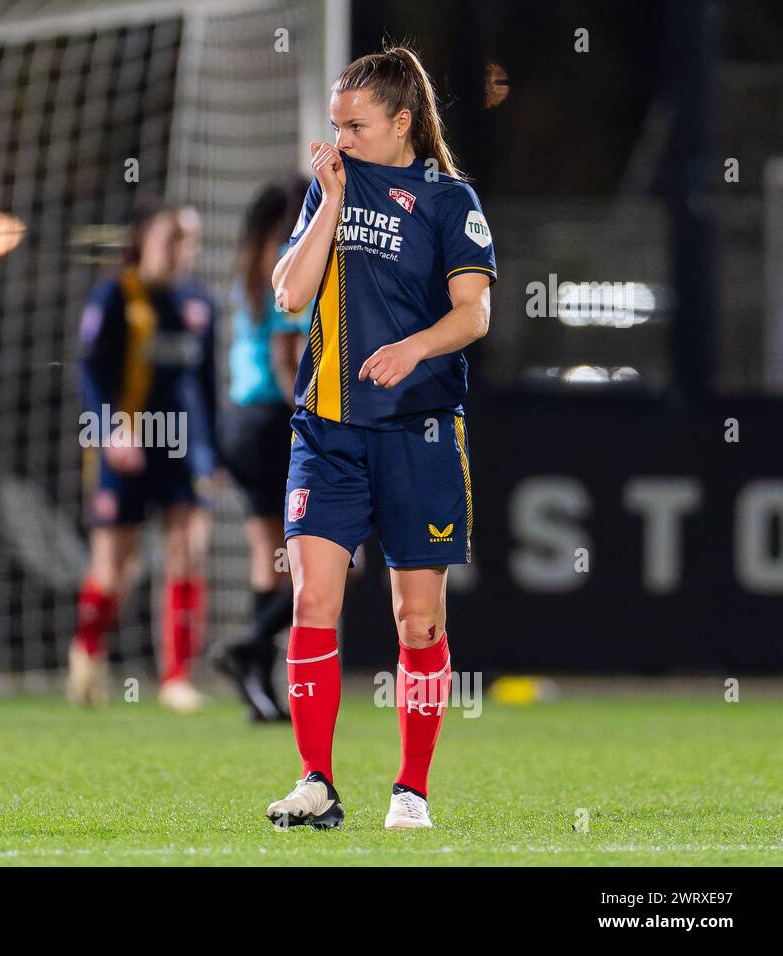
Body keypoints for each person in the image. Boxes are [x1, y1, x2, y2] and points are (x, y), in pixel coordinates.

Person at [264, 46, 495, 830]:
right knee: (313, 599)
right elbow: (290, 296)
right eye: (334, 126)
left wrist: (416, 347)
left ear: (402, 122)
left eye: (355, 126)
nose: (340, 141)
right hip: (326, 430)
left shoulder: (448, 199)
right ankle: (317, 782)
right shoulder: (325, 190)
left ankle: (412, 788)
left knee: (417, 621)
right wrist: (329, 201)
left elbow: (475, 314)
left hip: (417, 430)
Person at [68, 197, 217, 714]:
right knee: (115, 568)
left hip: (183, 450)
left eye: (189, 240)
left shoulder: (199, 304)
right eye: (172, 239)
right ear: (146, 241)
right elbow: (89, 372)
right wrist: (111, 431)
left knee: (188, 552)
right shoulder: (116, 296)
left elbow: (205, 384)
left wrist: (211, 452)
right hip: (127, 446)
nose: (182, 250)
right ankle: (86, 651)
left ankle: (176, 678)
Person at [210, 176, 313, 722]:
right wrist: (316, 421)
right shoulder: (292, 258)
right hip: (276, 422)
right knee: (337, 559)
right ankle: (250, 642)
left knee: (268, 560)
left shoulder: (248, 266)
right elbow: (285, 358)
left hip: (239, 423)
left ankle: (258, 690)